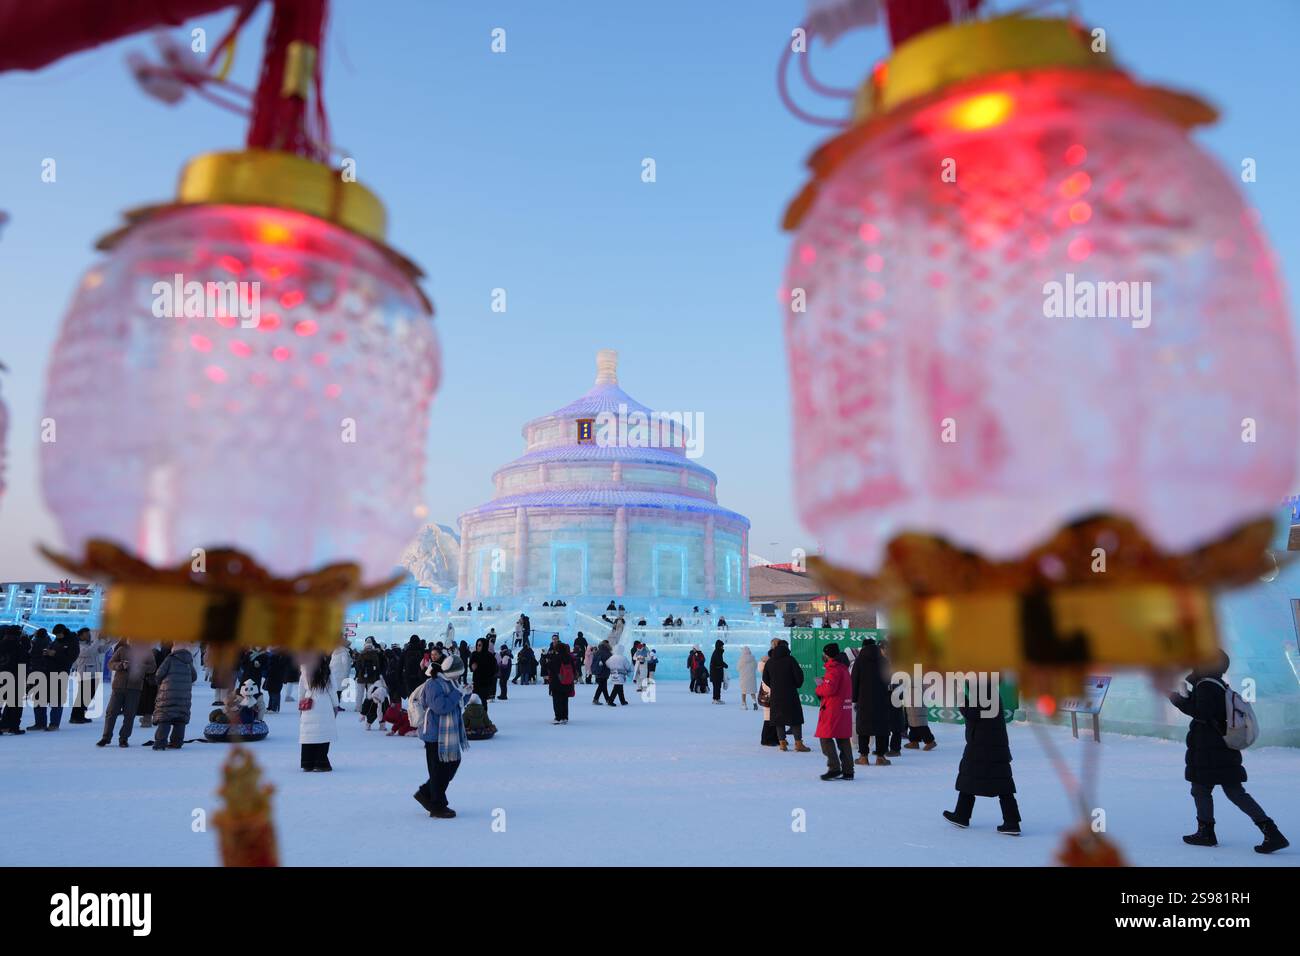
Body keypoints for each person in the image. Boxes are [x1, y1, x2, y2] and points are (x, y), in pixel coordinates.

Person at [1169, 651, 1288, 853]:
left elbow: (1202, 713)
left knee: (1206, 789)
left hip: (1209, 748)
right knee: (1225, 791)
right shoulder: (1216, 683)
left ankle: (1207, 833)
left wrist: (1177, 700)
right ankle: (1270, 831)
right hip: (1220, 747)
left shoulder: (1206, 684)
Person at [943, 690, 1020, 835]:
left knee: (973, 777)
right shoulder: (988, 689)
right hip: (989, 743)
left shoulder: (985, 691)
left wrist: (961, 699)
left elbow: (973, 713)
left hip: (984, 744)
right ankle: (963, 815)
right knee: (985, 780)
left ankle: (1010, 822)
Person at [413, 650, 466, 819]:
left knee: (450, 764)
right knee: (439, 771)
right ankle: (437, 805)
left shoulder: (450, 682)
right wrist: (458, 694)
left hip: (448, 735)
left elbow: (455, 704)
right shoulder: (433, 684)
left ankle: (426, 793)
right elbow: (441, 707)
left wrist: (466, 694)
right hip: (435, 734)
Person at [98, 640, 157, 748]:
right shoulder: (122, 650)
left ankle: (124, 739)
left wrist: (140, 666)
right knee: (111, 712)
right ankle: (106, 737)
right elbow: (110, 664)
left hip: (135, 687)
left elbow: (153, 667)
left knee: (129, 714)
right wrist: (121, 665)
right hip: (118, 686)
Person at [814, 642, 855, 780]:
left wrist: (819, 688)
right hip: (843, 708)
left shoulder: (833, 670)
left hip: (833, 709)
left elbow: (829, 689)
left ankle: (834, 767)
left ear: (827, 655)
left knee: (825, 737)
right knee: (843, 739)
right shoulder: (843, 668)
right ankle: (848, 770)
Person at [851, 638, 892, 766]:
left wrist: (855, 698)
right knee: (882, 728)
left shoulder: (859, 661)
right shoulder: (884, 661)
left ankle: (863, 757)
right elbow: (889, 680)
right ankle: (881, 757)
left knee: (863, 728)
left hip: (864, 700)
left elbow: (854, 681)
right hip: (882, 700)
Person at [763, 639, 809, 752]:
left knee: (779, 719)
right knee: (795, 718)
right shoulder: (790, 660)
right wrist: (796, 684)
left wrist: (774, 686)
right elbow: (799, 676)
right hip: (790, 693)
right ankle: (798, 743)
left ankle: (782, 743)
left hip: (776, 694)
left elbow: (765, 678)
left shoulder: (770, 661)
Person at [150, 644, 197, 749]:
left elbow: (159, 674)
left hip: (168, 694)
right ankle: (177, 742)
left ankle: (160, 743)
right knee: (180, 719)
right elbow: (194, 677)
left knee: (165, 718)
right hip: (184, 696)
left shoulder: (170, 659)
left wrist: (159, 682)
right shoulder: (189, 661)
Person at [298, 654, 337, 772]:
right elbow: (332, 690)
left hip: (308, 701)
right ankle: (321, 763)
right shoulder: (327, 671)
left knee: (308, 734)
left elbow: (301, 689)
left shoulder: (305, 670)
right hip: (324, 703)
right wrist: (335, 706)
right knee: (323, 734)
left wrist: (300, 705)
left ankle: (307, 762)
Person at [70, 628, 111, 724]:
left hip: (94, 673)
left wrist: (108, 642)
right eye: (86, 634)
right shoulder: (78, 645)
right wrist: (97, 640)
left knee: (89, 696)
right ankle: (75, 716)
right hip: (85, 673)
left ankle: (81, 715)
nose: (89, 635)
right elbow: (88, 652)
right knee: (82, 696)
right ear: (81, 635)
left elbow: (101, 650)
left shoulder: (91, 644)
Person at [355, 637, 387, 712]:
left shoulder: (361, 654)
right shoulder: (374, 654)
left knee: (359, 694)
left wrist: (361, 672)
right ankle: (367, 708)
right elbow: (377, 666)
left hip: (361, 677)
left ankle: (358, 708)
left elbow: (358, 666)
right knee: (369, 694)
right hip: (371, 677)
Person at [549, 642, 576, 724]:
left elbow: (551, 668)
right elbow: (574, 670)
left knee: (557, 700)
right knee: (565, 700)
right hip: (568, 682)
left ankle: (558, 717)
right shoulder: (570, 658)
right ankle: (565, 717)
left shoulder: (556, 658)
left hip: (557, 682)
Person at [469, 637, 498, 705]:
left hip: (486, 684)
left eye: (480, 645)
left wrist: (488, 674)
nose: (478, 647)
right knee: (474, 701)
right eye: (477, 645)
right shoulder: (474, 654)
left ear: (484, 645)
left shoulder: (490, 657)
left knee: (483, 702)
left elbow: (494, 670)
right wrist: (472, 667)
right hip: (476, 682)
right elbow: (471, 666)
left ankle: (483, 715)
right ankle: (475, 715)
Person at [329, 640, 352, 707]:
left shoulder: (335, 651)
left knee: (335, 690)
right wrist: (347, 673)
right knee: (339, 690)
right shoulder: (344, 652)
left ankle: (334, 704)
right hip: (341, 673)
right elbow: (345, 664)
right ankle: (337, 705)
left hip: (334, 672)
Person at [737, 646, 758, 710]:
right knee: (752, 691)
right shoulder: (753, 659)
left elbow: (738, 668)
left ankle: (744, 704)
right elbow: (756, 666)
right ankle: (754, 702)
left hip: (744, 678)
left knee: (744, 692)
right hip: (751, 678)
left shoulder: (741, 659)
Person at [709, 640, 728, 704]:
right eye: (722, 646)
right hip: (715, 673)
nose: (723, 647)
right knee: (716, 686)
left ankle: (717, 698)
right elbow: (718, 662)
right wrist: (724, 665)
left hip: (717, 673)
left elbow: (719, 662)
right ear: (719, 646)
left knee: (718, 686)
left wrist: (723, 664)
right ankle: (715, 699)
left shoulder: (718, 652)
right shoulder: (717, 653)